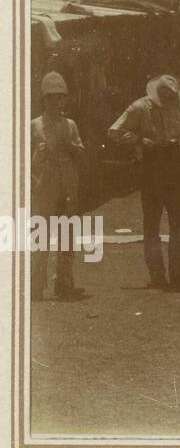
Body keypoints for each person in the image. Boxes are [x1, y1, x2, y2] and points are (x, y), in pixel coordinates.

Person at [108, 74, 180, 289]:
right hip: (152, 163)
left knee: (179, 219)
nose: (169, 102)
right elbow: (114, 131)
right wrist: (138, 139)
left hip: (174, 160)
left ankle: (178, 271)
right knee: (152, 222)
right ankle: (156, 274)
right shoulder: (139, 107)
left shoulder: (177, 103)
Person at [31, 71, 85, 301]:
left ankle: (63, 283)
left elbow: (81, 154)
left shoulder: (70, 124)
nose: (56, 102)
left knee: (67, 234)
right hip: (44, 185)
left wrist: (72, 146)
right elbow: (22, 160)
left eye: (60, 98)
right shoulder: (34, 125)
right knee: (40, 236)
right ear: (44, 100)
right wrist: (38, 155)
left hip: (67, 185)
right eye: (52, 98)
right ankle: (35, 285)